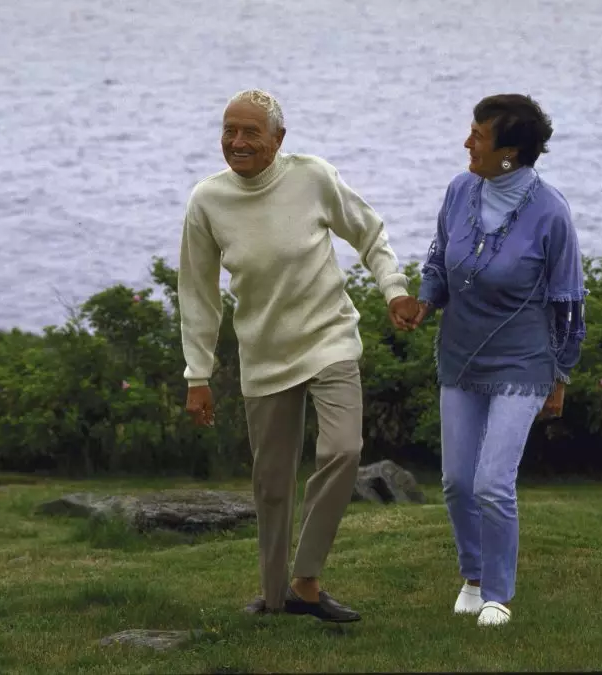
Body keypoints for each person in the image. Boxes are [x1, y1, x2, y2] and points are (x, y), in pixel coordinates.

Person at [178, 88, 419, 623]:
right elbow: (197, 292)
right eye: (228, 131)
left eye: (250, 133)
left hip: (328, 339)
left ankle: (305, 581)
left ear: (278, 140)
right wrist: (198, 373)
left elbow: (369, 232)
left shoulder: (312, 177)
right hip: (263, 355)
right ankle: (271, 597)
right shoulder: (207, 201)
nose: (237, 143)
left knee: (342, 451)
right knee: (270, 484)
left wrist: (394, 289)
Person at [408, 93, 587, 627]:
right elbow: (440, 258)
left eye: (479, 136)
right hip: (460, 356)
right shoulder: (460, 190)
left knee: (492, 482)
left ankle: (497, 596)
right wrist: (422, 300)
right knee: (457, 481)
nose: (467, 143)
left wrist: (560, 373)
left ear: (509, 152)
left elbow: (567, 301)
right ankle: (473, 576)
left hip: (523, 363)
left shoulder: (551, 212)